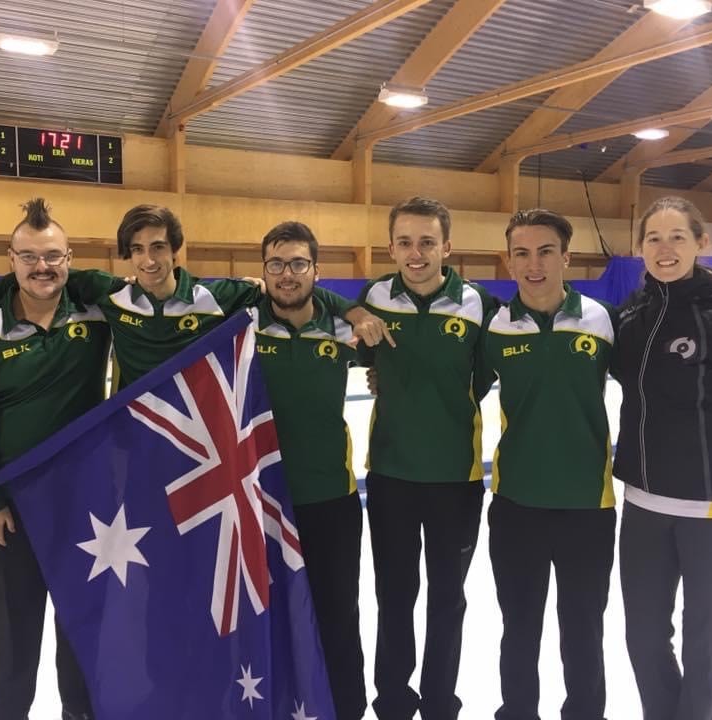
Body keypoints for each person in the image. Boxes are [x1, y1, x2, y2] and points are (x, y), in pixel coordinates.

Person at [0, 199, 111, 720]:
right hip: (12, 511)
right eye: (29, 257)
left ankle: (80, 713)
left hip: (85, 502)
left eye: (54, 256)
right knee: (17, 631)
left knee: (81, 625)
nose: (43, 266)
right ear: (10, 259)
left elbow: (161, 290)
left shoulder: (95, 307)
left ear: (71, 259)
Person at [0, 203, 391, 390]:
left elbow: (291, 289)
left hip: (199, 439)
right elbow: (33, 272)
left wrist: (351, 309)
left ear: (175, 251)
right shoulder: (110, 294)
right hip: (135, 440)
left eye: (158, 247)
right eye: (137, 250)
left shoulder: (218, 296)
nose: (148, 260)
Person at [613, 196, 712, 720]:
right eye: (654, 238)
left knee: (705, 641)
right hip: (645, 507)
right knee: (644, 636)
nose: (665, 248)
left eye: (678, 237)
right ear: (640, 248)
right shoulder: (633, 314)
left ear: (702, 242)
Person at [357, 196, 497, 720]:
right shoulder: (374, 297)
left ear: (447, 246)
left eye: (427, 242)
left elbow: (484, 377)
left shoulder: (478, 304)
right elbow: (369, 361)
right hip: (390, 477)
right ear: (391, 247)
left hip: (455, 480)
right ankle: (392, 701)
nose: (416, 254)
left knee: (447, 600)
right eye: (405, 242)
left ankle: (441, 703)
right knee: (394, 597)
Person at [480, 209, 616, 720]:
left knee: (583, 628)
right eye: (521, 253)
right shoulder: (493, 327)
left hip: (588, 506)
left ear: (566, 257)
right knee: (519, 627)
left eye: (544, 252)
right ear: (509, 260)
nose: (533, 264)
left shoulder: (602, 321)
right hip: (517, 506)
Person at [252, 221, 366, 720]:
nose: (288, 274)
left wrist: (350, 306)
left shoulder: (343, 327)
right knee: (272, 615)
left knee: (337, 615)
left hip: (330, 500)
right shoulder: (242, 323)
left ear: (317, 271)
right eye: (276, 264)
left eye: (299, 263)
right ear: (263, 273)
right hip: (263, 501)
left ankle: (347, 708)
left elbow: (380, 330)